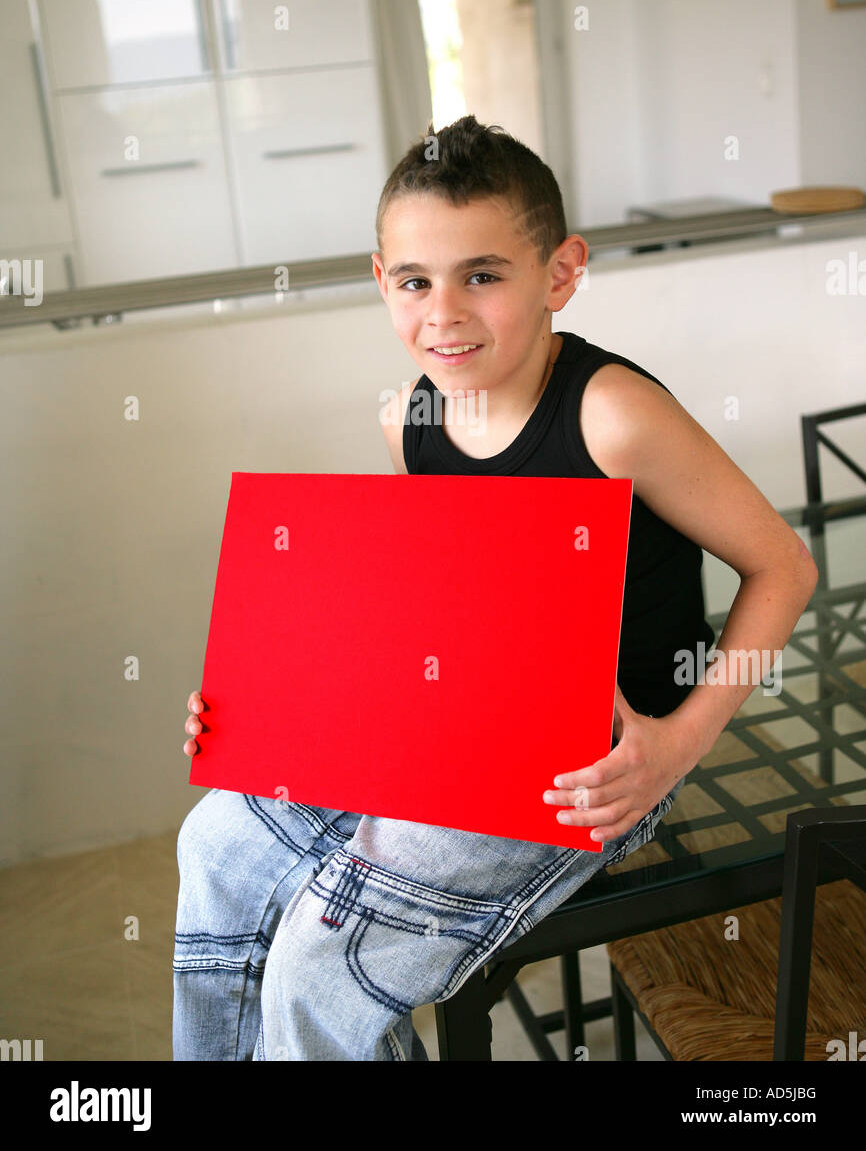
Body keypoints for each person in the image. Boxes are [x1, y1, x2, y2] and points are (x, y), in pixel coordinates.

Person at [173, 115, 818, 1061]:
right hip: (459, 726)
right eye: (413, 281)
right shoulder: (411, 419)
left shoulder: (612, 417)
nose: (444, 314)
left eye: (482, 275)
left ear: (559, 273)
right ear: (380, 281)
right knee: (215, 844)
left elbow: (784, 567)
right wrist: (264, 712)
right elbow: (431, 612)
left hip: (595, 769)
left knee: (320, 949)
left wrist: (677, 746)